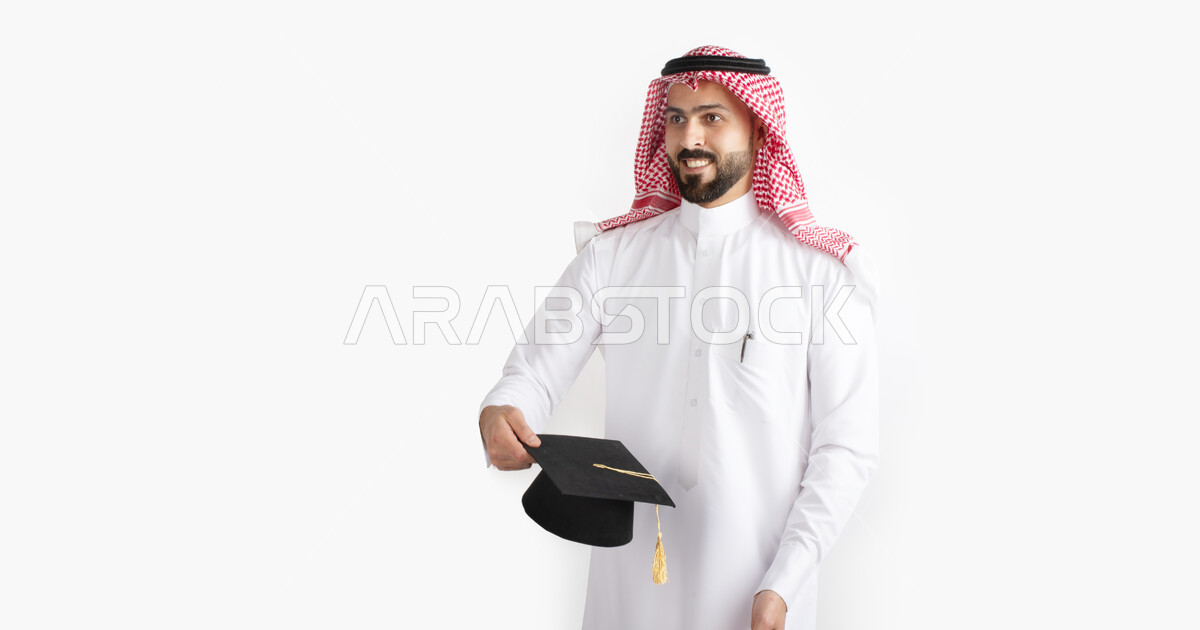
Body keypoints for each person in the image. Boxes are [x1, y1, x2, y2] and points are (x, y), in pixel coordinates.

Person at [478, 45, 879, 630]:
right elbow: (532, 373)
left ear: (759, 131)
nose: (689, 136)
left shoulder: (819, 274)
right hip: (629, 590)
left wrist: (785, 582)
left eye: (712, 117)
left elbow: (845, 449)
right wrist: (499, 410)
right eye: (675, 118)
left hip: (758, 592)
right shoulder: (612, 259)